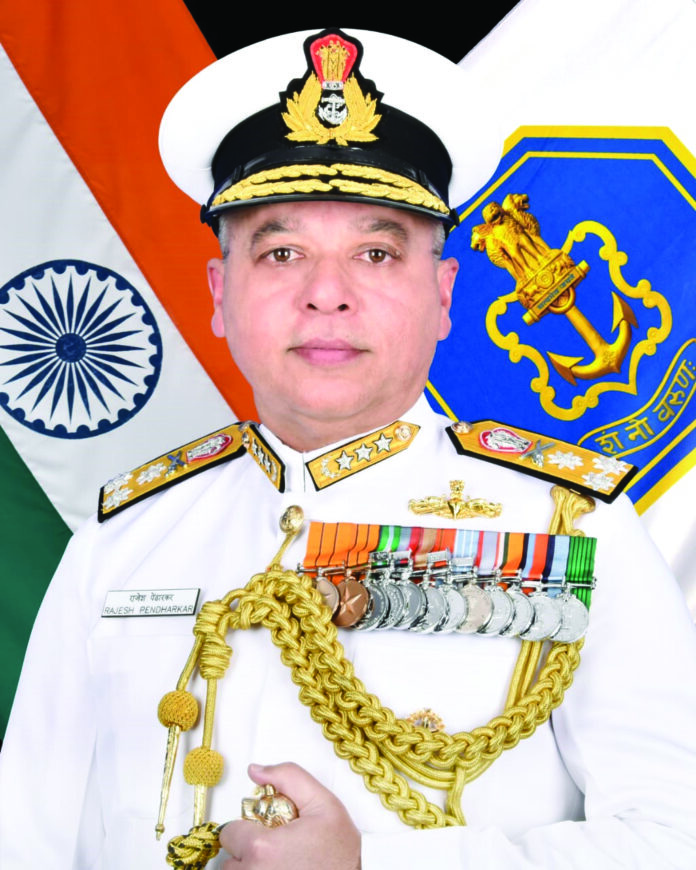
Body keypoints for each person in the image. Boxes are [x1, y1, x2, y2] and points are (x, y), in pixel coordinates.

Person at [1, 27, 696, 870]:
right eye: (282, 252)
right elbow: (25, 844)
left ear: (443, 294)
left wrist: (374, 865)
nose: (326, 294)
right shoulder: (121, 538)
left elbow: (674, 842)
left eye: (375, 253)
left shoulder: (574, 526)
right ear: (220, 294)